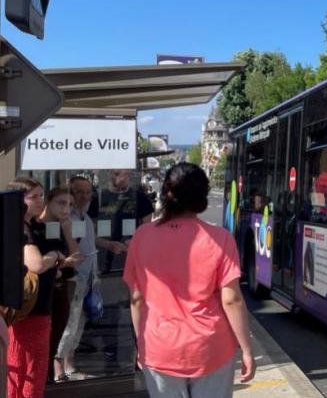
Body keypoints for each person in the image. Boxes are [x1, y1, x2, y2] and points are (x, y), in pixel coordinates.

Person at [124, 163, 255, 397]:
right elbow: (232, 300)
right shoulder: (220, 239)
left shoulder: (142, 236)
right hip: (210, 348)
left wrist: (141, 344)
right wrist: (246, 349)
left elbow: (136, 299)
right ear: (201, 195)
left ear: (166, 193)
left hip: (159, 346)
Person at [6, 178, 78, 398]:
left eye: (40, 195)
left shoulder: (32, 226)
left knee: (27, 366)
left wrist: (55, 261)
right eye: (33, 196)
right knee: (30, 368)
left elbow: (68, 261)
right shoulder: (21, 227)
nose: (39, 201)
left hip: (33, 305)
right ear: (20, 199)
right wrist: (54, 257)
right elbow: (36, 264)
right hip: (28, 309)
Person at [54, 176, 125, 382]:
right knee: (69, 325)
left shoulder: (84, 216)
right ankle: (58, 370)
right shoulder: (67, 218)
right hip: (73, 279)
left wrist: (110, 245)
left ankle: (70, 366)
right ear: (70, 193)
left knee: (78, 325)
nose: (85, 196)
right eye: (79, 192)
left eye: (88, 192)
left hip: (89, 279)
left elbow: (90, 241)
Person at [37, 188, 85, 383]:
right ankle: (46, 376)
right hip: (42, 290)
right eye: (61, 203)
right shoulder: (37, 226)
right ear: (48, 201)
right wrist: (60, 261)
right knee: (44, 338)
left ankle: (49, 376)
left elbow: (75, 258)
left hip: (61, 285)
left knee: (58, 333)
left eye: (70, 205)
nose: (66, 209)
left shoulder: (63, 226)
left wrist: (67, 231)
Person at [98, 169, 154, 273]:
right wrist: (105, 244)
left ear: (130, 175)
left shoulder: (140, 197)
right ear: (109, 173)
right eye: (117, 173)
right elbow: (88, 229)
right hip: (103, 253)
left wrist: (137, 241)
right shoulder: (99, 197)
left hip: (130, 250)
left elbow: (147, 228)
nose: (122, 178)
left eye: (126, 174)